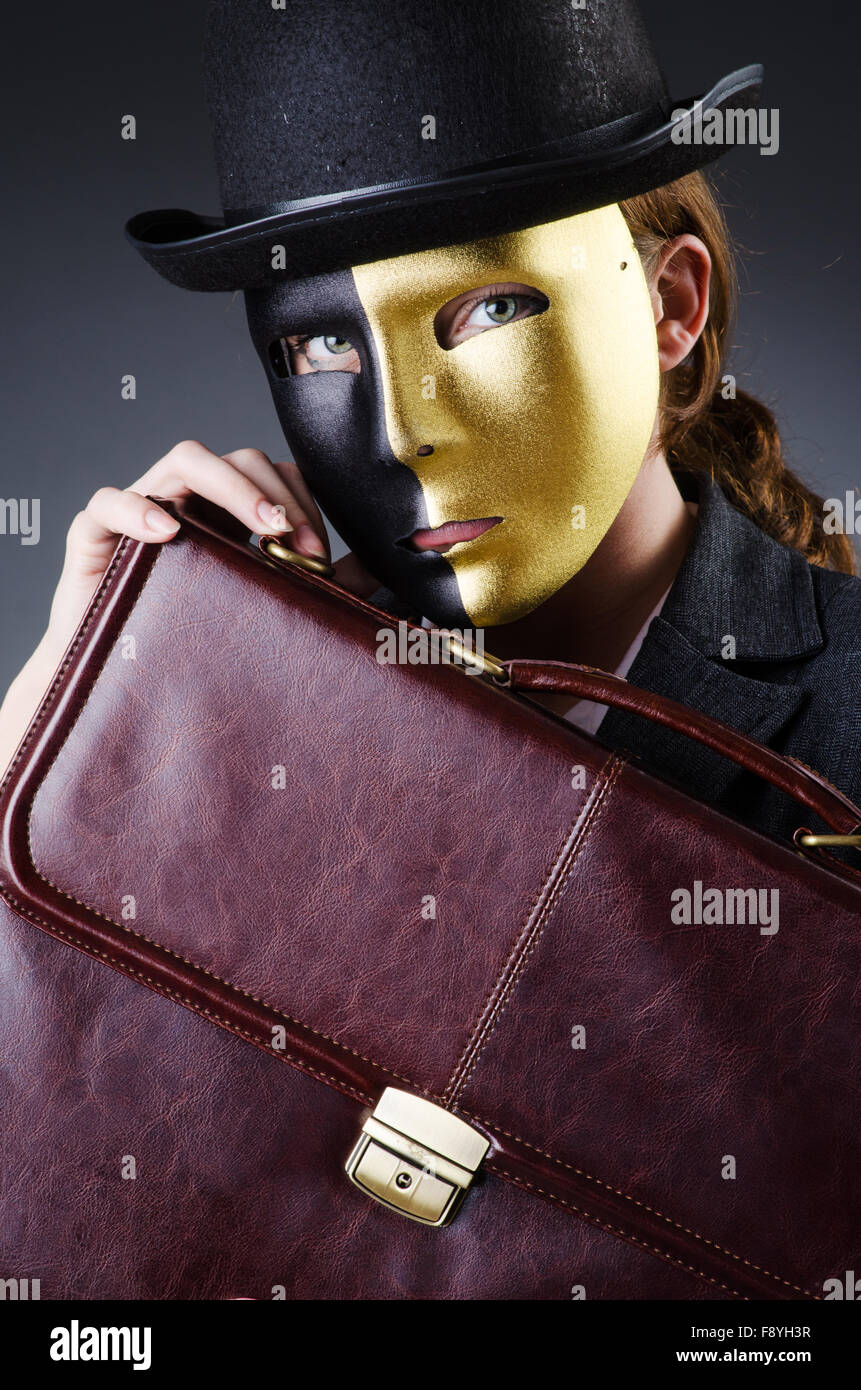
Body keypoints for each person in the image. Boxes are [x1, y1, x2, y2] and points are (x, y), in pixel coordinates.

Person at [1, 0, 859, 856]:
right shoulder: (256, 735)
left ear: (668, 305)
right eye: (326, 342)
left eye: (490, 309)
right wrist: (55, 730)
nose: (401, 434)